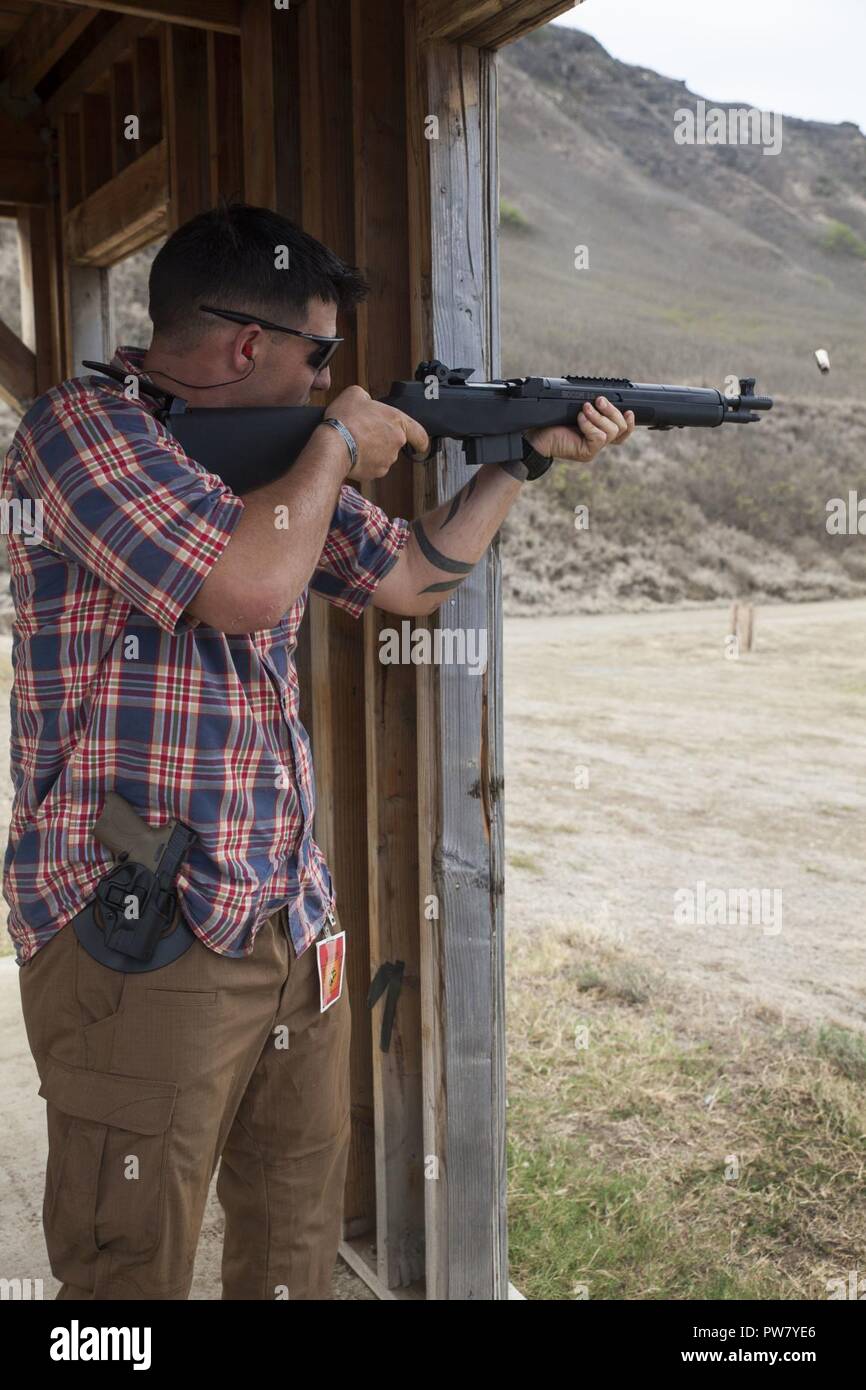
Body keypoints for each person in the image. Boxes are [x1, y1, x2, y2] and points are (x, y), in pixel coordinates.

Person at [1, 200, 635, 1300]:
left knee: (294, 1239)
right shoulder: (81, 431)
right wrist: (338, 445)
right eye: (320, 359)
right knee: (124, 1272)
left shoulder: (289, 467)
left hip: (289, 921)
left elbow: (413, 577)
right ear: (250, 346)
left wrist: (519, 460)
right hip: (138, 926)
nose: (328, 384)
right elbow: (244, 586)